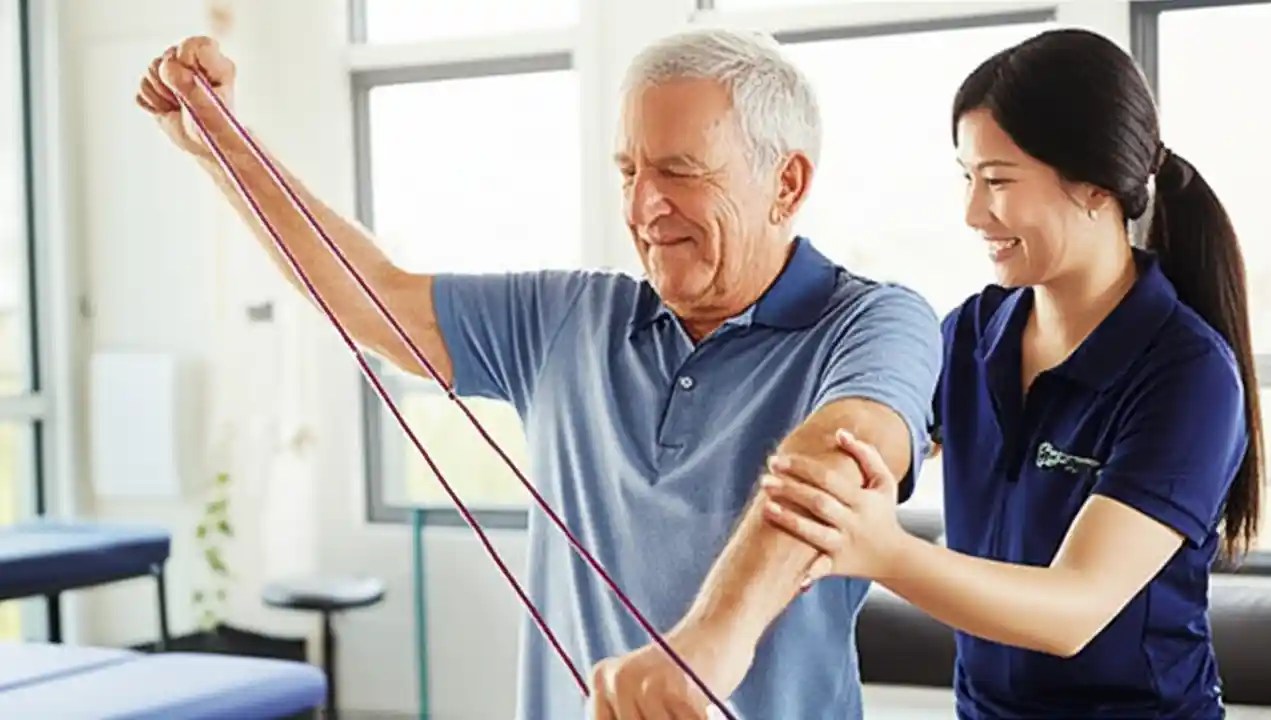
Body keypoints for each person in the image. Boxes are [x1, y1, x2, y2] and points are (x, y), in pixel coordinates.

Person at [135, 28, 941, 719]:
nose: (645, 205)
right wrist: (220, 143)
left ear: (787, 183)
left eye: (681, 171)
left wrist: (702, 649)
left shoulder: (874, 321)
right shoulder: (569, 319)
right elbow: (373, 295)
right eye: (629, 171)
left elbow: (834, 467)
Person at [758, 28, 1264, 720]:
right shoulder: (971, 332)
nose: (972, 213)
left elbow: (1073, 609)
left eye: (997, 181)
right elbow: (876, 433)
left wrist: (883, 552)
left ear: (1093, 185)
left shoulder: (1188, 374)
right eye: (967, 178)